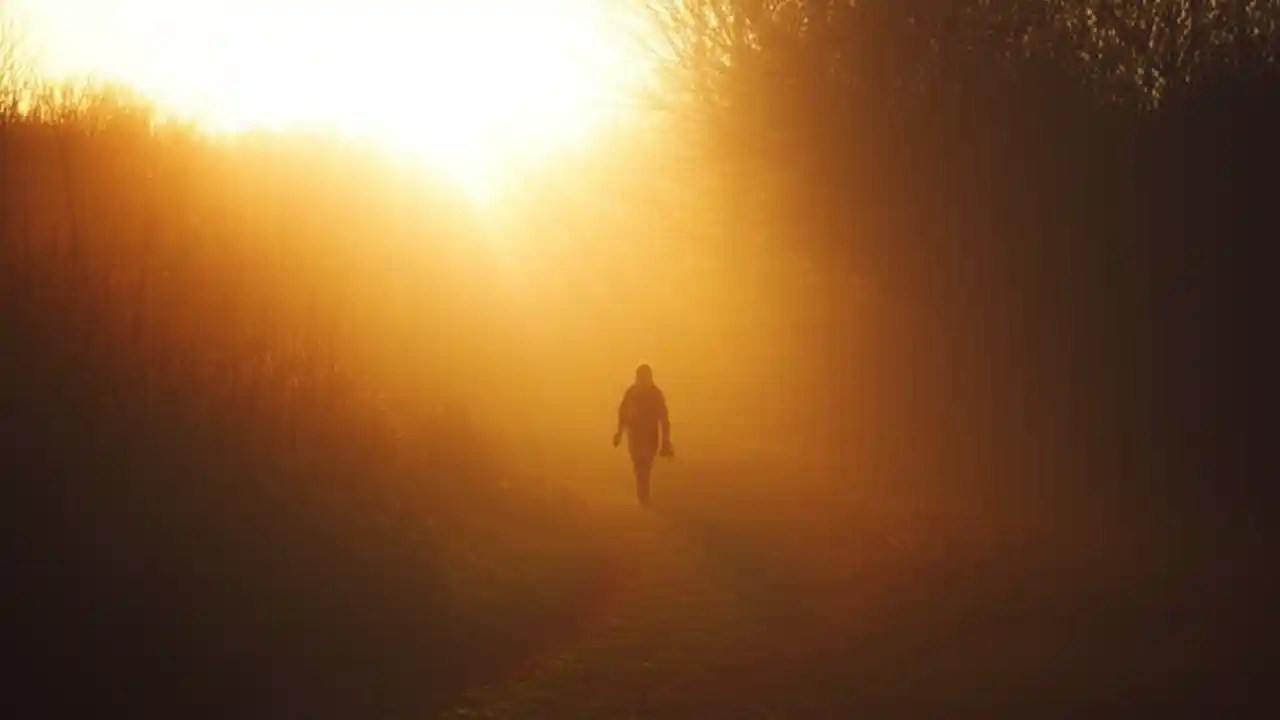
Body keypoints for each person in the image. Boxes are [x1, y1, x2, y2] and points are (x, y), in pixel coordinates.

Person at [613, 364, 673, 506]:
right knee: (639, 465)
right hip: (635, 436)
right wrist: (619, 433)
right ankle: (643, 494)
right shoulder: (632, 392)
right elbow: (622, 412)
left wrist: (666, 440)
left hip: (649, 436)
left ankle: (643, 495)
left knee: (645, 465)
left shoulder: (655, 394)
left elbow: (664, 418)